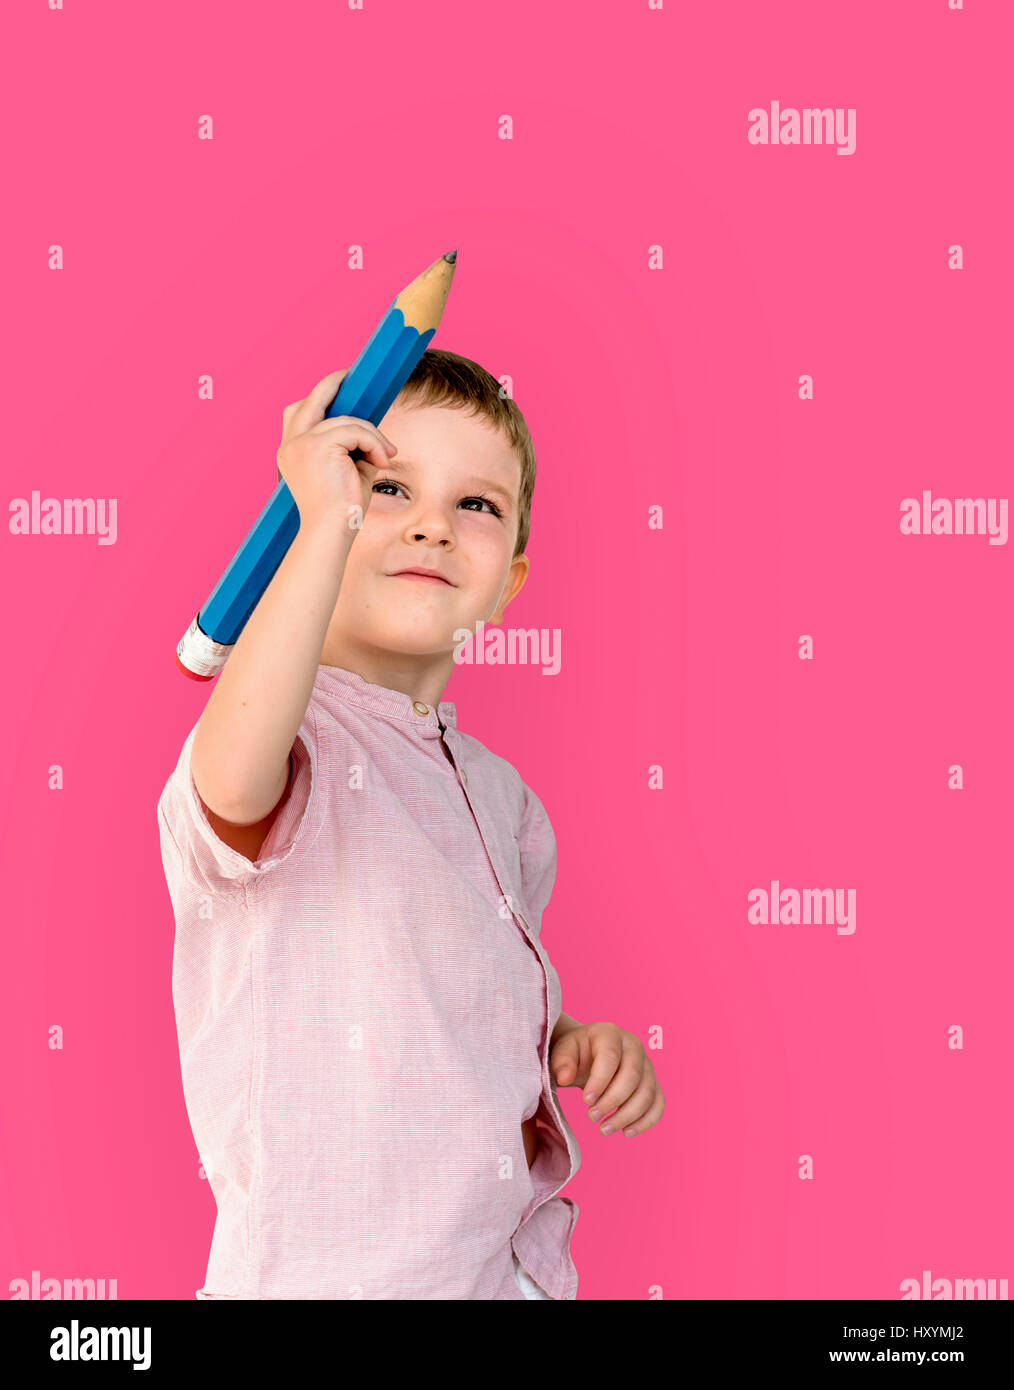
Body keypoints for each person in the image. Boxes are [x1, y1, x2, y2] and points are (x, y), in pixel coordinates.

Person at [157, 348, 665, 1299]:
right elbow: (231, 775)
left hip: (497, 1274)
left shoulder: (503, 798)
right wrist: (319, 525)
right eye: (386, 487)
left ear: (508, 584)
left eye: (477, 505)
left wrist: (564, 1043)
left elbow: (456, 1008)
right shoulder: (286, 728)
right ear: (308, 521)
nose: (433, 524)